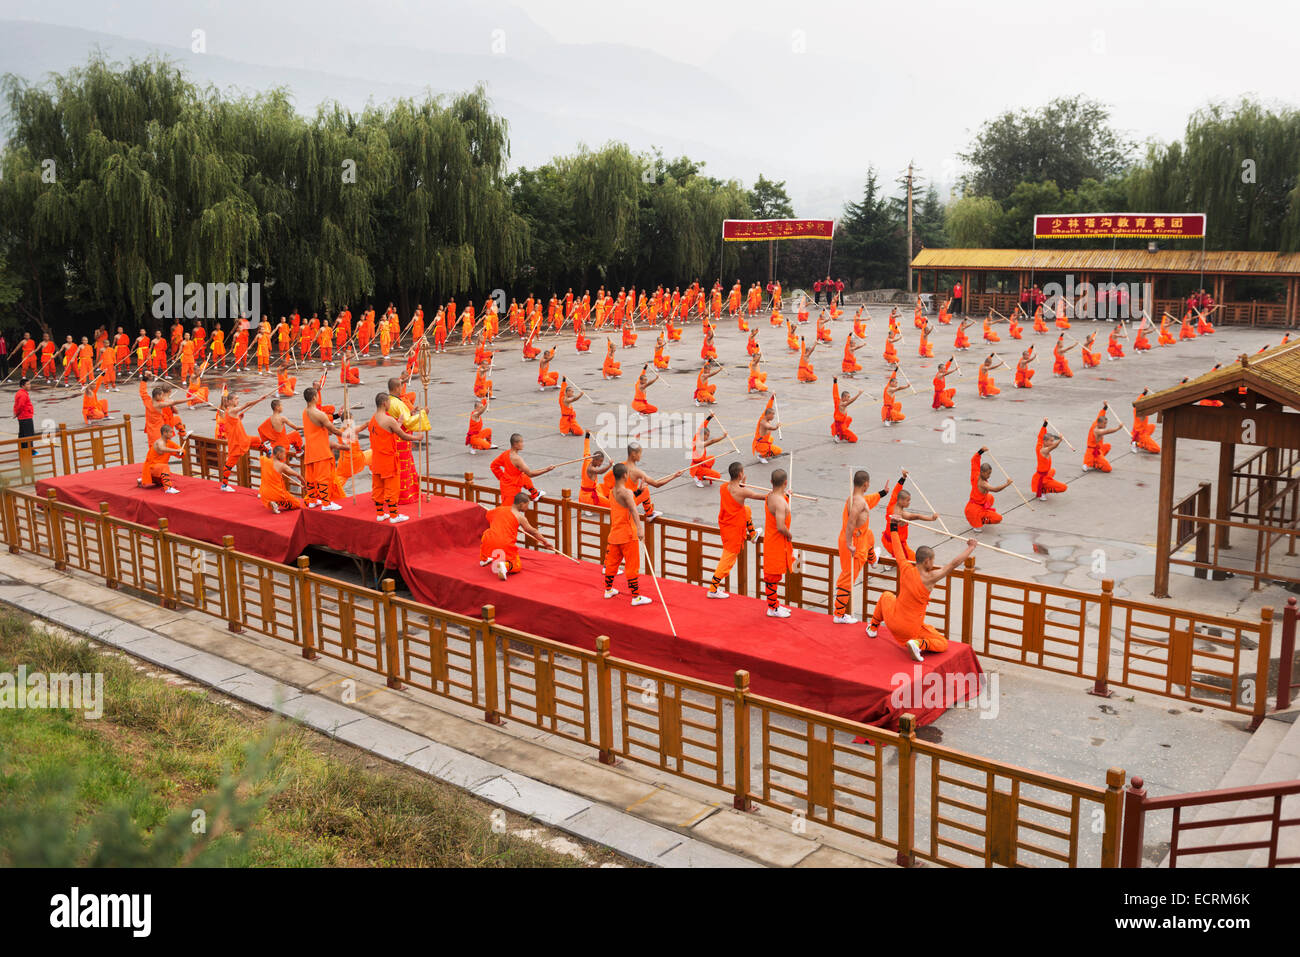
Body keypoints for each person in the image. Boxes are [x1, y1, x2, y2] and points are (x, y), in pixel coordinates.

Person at [867, 534, 977, 660]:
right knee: (942, 643)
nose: (933, 563)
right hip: (909, 629)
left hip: (891, 621)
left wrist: (893, 527)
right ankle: (918, 644)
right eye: (933, 560)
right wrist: (971, 547)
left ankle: (873, 628)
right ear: (926, 561)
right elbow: (953, 564)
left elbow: (897, 550)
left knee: (886, 596)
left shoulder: (905, 568)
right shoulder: (930, 578)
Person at [833, 470, 887, 623]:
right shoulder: (858, 502)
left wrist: (883, 493)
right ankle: (839, 614)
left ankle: (872, 559)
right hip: (853, 542)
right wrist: (850, 544)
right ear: (866, 484)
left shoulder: (855, 498)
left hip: (859, 537)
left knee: (869, 535)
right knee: (847, 578)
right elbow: (851, 524)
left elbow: (869, 500)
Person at [361, 392, 422, 523]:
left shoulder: (373, 419)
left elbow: (387, 434)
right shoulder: (388, 420)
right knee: (391, 488)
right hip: (388, 459)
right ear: (384, 403)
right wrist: (417, 438)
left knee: (378, 487)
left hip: (376, 459)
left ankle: (380, 513)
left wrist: (398, 422)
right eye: (389, 402)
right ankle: (394, 516)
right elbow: (403, 435)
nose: (390, 404)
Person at [603, 464, 652, 605]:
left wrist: (638, 492)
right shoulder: (627, 492)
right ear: (625, 476)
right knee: (631, 566)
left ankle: (608, 589)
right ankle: (636, 597)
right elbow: (633, 509)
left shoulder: (612, 491)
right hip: (628, 535)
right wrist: (640, 529)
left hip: (615, 534)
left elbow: (624, 502)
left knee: (612, 564)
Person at [599, 442, 686, 520]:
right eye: (640, 453)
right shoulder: (636, 472)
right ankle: (649, 513)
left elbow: (607, 478)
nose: (640, 455)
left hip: (617, 499)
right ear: (633, 454)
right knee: (645, 489)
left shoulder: (619, 467)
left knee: (641, 489)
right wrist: (674, 476)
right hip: (629, 501)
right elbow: (657, 484)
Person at [480, 491, 550, 580]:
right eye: (527, 505)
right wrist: (545, 542)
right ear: (521, 504)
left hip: (488, 541)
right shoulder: (520, 517)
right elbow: (533, 531)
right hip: (504, 544)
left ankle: (484, 559)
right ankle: (505, 566)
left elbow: (489, 517)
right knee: (517, 566)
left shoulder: (499, 509)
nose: (528, 508)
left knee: (487, 534)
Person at [762, 469, 798, 619]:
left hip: (771, 540)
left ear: (771, 482)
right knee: (772, 576)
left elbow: (780, 501)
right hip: (777, 541)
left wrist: (786, 495)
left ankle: (774, 604)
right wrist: (789, 535)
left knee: (774, 575)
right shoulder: (780, 502)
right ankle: (772, 607)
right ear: (785, 482)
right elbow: (781, 526)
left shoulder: (770, 496)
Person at [301, 386, 344, 508]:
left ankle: (313, 500)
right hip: (320, 449)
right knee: (323, 477)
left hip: (310, 449)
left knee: (311, 477)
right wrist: (346, 435)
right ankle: (326, 503)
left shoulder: (305, 412)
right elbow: (333, 430)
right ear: (315, 397)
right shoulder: (319, 414)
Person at [881, 471, 938, 562]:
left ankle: (894, 556)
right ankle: (893, 558)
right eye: (908, 501)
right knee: (913, 562)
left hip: (885, 539)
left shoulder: (892, 503)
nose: (909, 502)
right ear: (901, 501)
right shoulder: (903, 515)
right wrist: (931, 518)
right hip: (896, 544)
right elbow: (917, 516)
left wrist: (903, 478)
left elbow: (897, 489)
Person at [491, 433, 554, 502]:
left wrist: (502, 477)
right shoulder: (517, 459)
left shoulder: (506, 453)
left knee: (523, 475)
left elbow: (493, 466)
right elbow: (530, 474)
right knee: (509, 511)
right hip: (512, 490)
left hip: (506, 485)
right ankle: (535, 493)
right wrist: (547, 470)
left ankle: (535, 493)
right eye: (521, 442)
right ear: (515, 444)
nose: (523, 444)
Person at [965, 447, 1011, 529]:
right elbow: (995, 489)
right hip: (974, 509)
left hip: (973, 504)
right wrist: (1006, 484)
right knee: (998, 518)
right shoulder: (983, 484)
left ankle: (980, 515)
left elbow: (974, 460)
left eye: (990, 473)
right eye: (988, 474)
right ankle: (980, 519)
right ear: (982, 472)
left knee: (990, 497)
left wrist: (981, 451)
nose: (989, 476)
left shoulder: (976, 473)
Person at [139, 423, 184, 493]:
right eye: (171, 432)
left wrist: (181, 452)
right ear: (164, 433)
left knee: (161, 481)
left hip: (157, 469)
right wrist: (176, 450)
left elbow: (177, 450)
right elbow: (163, 448)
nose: (172, 434)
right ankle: (168, 488)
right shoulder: (159, 442)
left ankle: (142, 480)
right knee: (165, 467)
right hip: (152, 467)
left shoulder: (169, 442)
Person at [259, 445, 305, 513]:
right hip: (277, 493)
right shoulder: (282, 466)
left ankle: (273, 502)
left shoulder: (264, 460)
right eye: (284, 454)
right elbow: (298, 475)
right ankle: (278, 502)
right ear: (279, 454)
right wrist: (304, 484)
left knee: (271, 495)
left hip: (263, 493)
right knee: (296, 504)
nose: (285, 456)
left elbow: (260, 458)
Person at [1031, 422, 1068, 498]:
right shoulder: (1044, 450)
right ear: (1045, 441)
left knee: (1053, 470)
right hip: (1042, 478)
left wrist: (1044, 424)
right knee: (1063, 487)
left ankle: (1043, 487)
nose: (1052, 442)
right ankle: (1043, 490)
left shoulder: (1039, 444)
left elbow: (1040, 436)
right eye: (1051, 441)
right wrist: (1060, 440)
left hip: (1043, 473)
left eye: (1053, 441)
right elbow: (1053, 447)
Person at [689, 417, 729, 487]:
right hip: (696, 467)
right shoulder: (699, 443)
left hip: (701, 462)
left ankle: (704, 473)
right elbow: (712, 441)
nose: (708, 437)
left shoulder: (697, 435)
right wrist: (723, 437)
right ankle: (698, 477)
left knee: (711, 458)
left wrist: (710, 417)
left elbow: (703, 425)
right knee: (717, 476)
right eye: (707, 435)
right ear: (703, 435)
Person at [1083, 407, 1123, 473]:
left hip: (1098, 449)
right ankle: (1095, 464)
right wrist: (1118, 428)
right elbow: (1108, 431)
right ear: (1099, 423)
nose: (1105, 425)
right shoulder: (1097, 431)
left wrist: (1105, 408)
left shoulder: (1096, 423)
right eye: (1104, 423)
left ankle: (1094, 462)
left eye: (1106, 423)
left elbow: (1100, 415)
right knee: (1108, 469)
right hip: (1092, 452)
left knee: (1107, 446)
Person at [831, 377, 863, 443]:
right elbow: (851, 401)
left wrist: (835, 382)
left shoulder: (837, 400)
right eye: (848, 397)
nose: (849, 398)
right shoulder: (842, 404)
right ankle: (839, 435)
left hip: (837, 423)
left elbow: (835, 392)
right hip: (840, 426)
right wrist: (858, 394)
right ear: (844, 397)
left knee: (849, 418)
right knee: (854, 439)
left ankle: (838, 432)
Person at [753, 396, 783, 462]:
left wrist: (772, 398)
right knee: (779, 451)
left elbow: (768, 406)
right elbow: (770, 427)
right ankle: (762, 456)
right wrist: (776, 427)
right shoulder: (764, 422)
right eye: (772, 415)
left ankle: (766, 451)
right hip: (761, 444)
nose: (773, 416)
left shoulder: (764, 416)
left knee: (771, 438)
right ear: (768, 414)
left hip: (761, 440)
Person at [13, 377, 36, 459]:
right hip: (25, 416)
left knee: (23, 434)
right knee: (28, 434)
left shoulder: (20, 393)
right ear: (23, 385)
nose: (30, 386)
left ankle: (23, 449)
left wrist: (17, 413)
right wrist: (17, 413)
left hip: (23, 416)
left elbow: (17, 405)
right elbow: (20, 406)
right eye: (28, 384)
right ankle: (30, 450)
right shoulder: (22, 394)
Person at [1132, 390, 1160, 454]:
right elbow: (1142, 418)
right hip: (1141, 433)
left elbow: (1140, 398)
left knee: (1152, 426)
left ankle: (1142, 441)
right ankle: (1138, 444)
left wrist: (1145, 392)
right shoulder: (1141, 412)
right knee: (1156, 449)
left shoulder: (1138, 406)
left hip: (1141, 429)